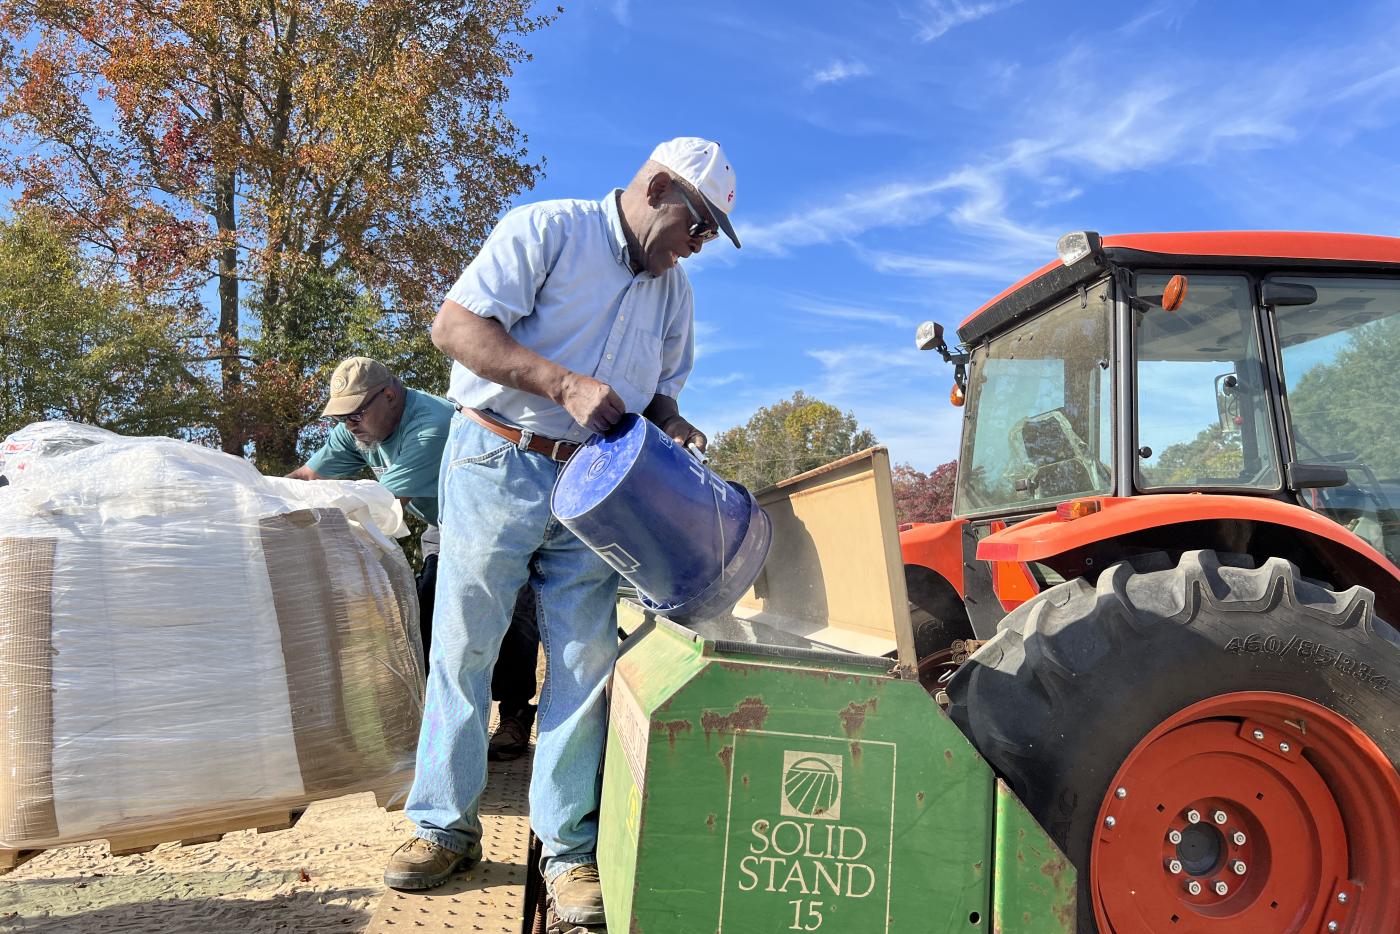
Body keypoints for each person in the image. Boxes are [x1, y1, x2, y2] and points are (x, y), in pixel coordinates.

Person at [383, 137, 741, 926]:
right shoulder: (548, 230)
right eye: (698, 222)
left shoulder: (674, 294)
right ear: (655, 189)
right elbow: (454, 328)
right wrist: (560, 382)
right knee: (466, 648)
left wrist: (674, 428)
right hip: (497, 459)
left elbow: (658, 400)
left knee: (585, 661)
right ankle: (442, 828)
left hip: (599, 489)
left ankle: (569, 851)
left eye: (712, 233)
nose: (700, 243)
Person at [288, 357, 542, 757]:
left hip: (500, 518)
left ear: (389, 396)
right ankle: (428, 721)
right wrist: (258, 499)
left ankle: (514, 714)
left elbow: (378, 506)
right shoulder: (356, 431)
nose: (348, 424)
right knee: (423, 615)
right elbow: (308, 478)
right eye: (340, 416)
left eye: (355, 413)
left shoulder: (430, 427)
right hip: (445, 524)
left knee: (509, 614)